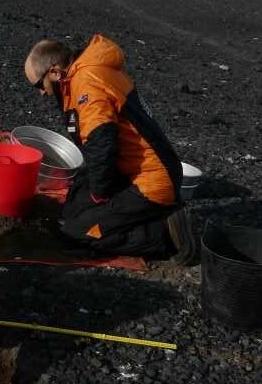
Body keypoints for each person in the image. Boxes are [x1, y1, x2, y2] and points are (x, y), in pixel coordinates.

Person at [24, 36, 198, 262]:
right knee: (69, 213)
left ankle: (165, 232)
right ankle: (134, 216)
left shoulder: (86, 83)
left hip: (151, 181)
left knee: (76, 234)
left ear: (55, 72)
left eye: (39, 85)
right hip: (132, 169)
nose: (41, 92)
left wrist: (99, 194)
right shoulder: (84, 72)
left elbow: (102, 144)